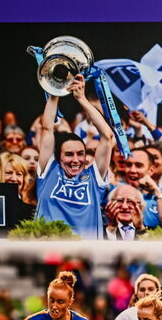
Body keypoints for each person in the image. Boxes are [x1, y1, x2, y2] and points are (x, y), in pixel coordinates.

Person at [35, 74, 113, 238]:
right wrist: (55, 91)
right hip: (48, 252)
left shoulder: (94, 177)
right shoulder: (48, 171)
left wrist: (82, 98)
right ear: (58, 157)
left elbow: (107, 136)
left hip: (85, 255)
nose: (76, 160)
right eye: (69, 154)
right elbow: (47, 128)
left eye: (80, 154)